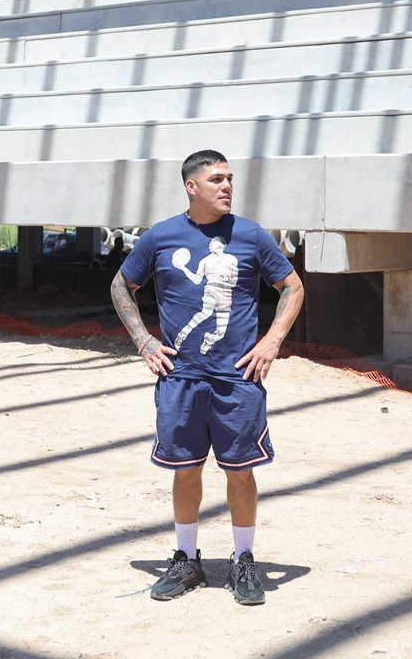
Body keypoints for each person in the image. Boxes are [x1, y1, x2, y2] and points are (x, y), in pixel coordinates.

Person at [110, 149, 304, 605]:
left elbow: (293, 287)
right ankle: (185, 558)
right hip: (181, 378)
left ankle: (243, 560)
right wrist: (144, 341)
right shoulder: (161, 237)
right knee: (185, 469)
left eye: (230, 179)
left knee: (240, 473)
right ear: (191, 186)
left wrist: (272, 341)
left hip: (237, 380)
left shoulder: (252, 236)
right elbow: (121, 285)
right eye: (217, 179)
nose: (227, 187)